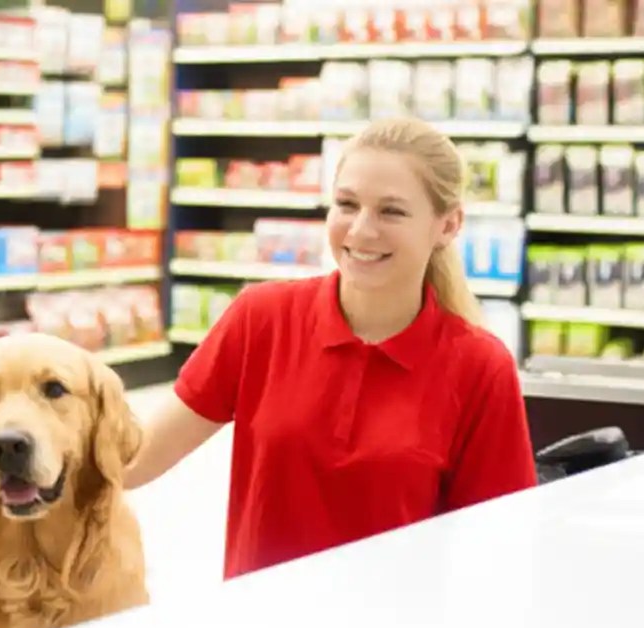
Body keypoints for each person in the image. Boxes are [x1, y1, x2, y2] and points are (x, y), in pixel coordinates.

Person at [125, 117, 537, 579]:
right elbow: (138, 458)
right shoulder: (262, 319)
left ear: (448, 225)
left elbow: (500, 545)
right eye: (347, 204)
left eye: (392, 212)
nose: (361, 231)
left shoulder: (480, 367)